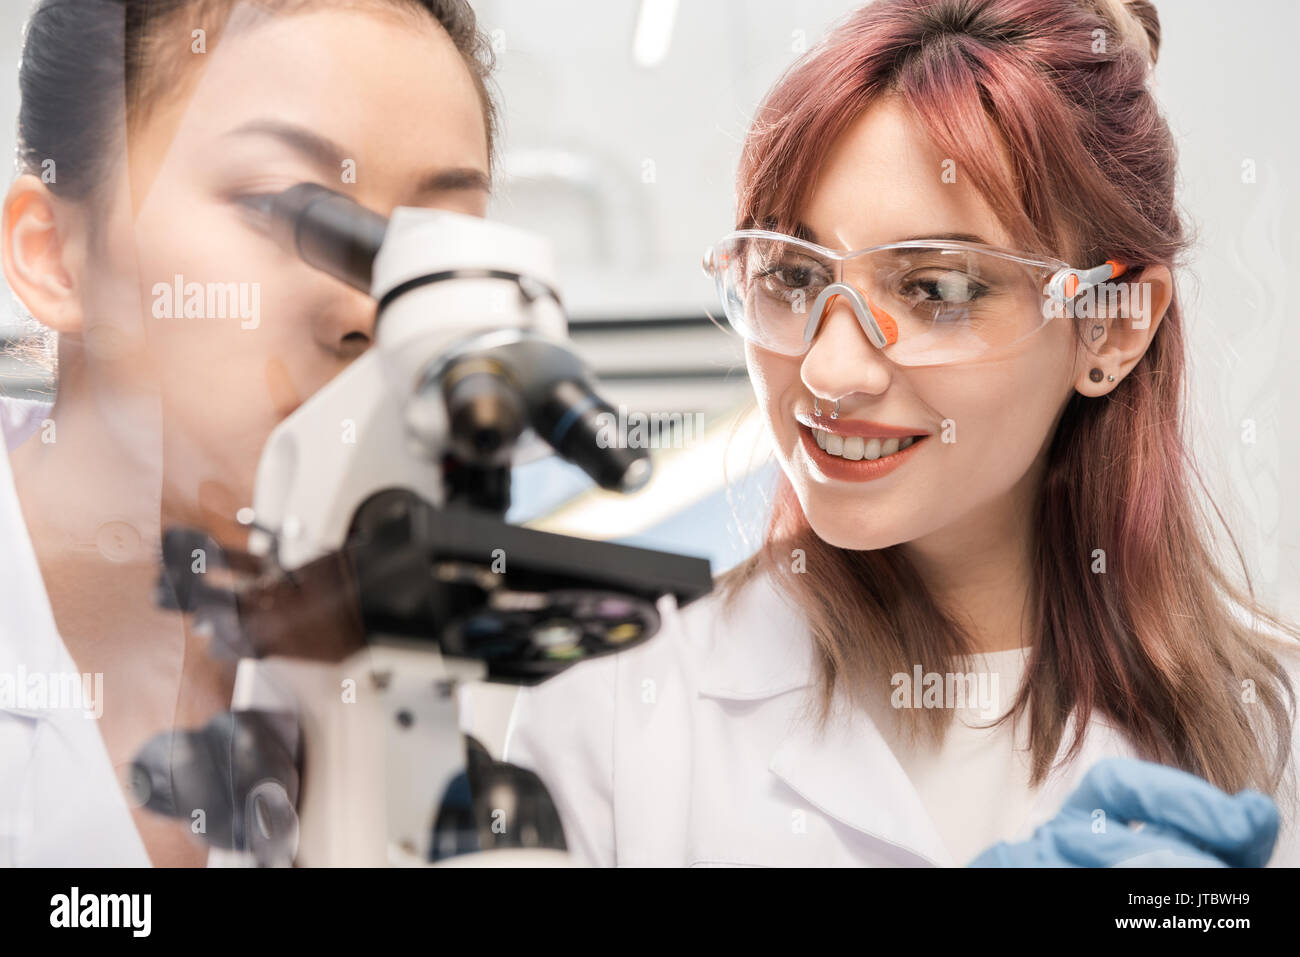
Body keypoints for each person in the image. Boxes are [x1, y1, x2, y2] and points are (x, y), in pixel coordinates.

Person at [491, 0, 1300, 866]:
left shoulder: (1271, 731)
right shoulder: (611, 711)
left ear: (1110, 325)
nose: (832, 372)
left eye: (937, 289)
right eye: (794, 276)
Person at [0, 0, 497, 866]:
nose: (368, 306)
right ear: (52, 254)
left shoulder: (511, 695)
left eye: (433, 242)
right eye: (280, 206)